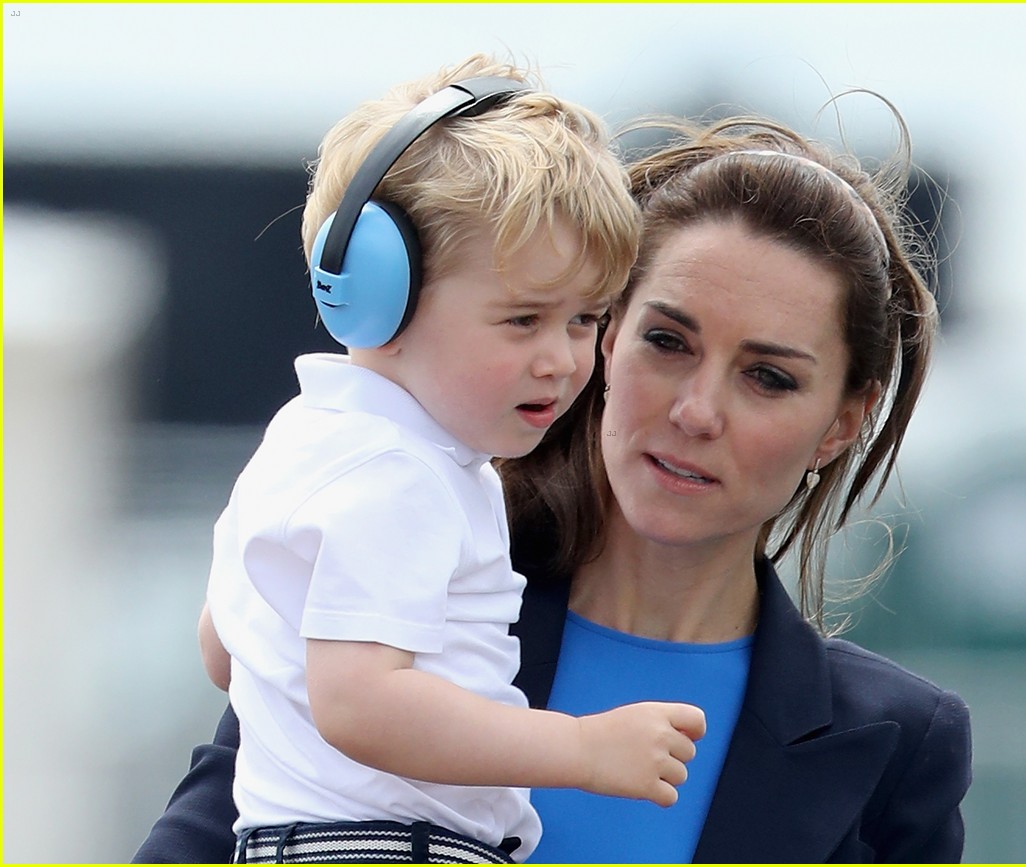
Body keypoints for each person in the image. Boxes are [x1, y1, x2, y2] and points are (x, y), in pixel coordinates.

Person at [134, 99, 972, 864]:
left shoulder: (902, 748)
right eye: (667, 342)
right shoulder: (401, 602)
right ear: (608, 339)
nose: (696, 411)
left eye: (769, 378)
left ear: (842, 421)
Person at [191, 54, 707, 866]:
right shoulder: (401, 477)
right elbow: (359, 705)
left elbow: (226, 649)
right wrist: (578, 748)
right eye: (522, 319)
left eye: (585, 320)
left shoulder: (303, 442)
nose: (563, 360)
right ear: (377, 296)